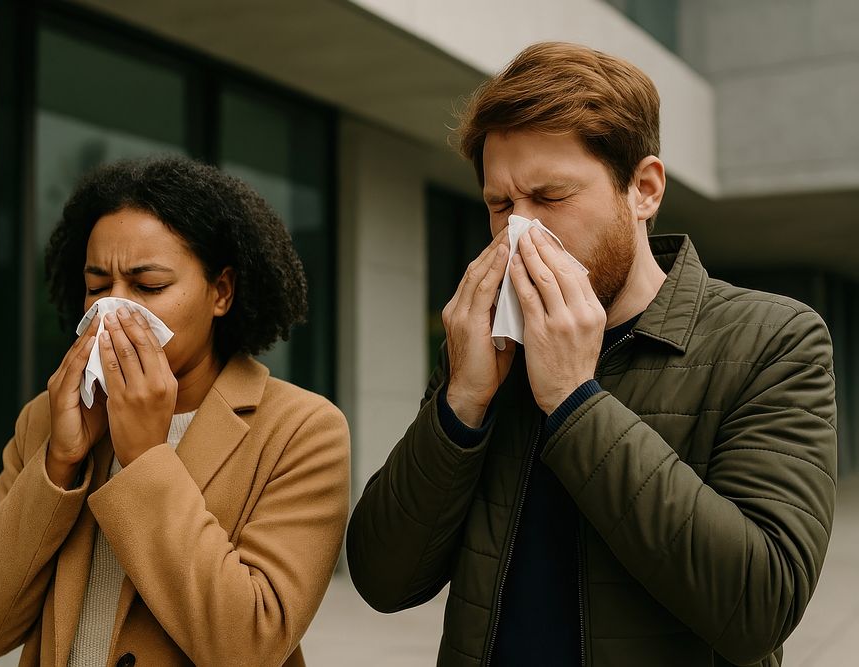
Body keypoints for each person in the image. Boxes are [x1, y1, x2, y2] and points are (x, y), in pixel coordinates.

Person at [346, 42, 837, 667]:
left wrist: (575, 400)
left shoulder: (772, 339)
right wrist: (461, 402)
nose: (519, 232)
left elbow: (757, 609)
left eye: (551, 198)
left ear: (644, 189)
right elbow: (383, 580)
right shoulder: (492, 351)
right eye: (501, 204)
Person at [0, 156, 350, 667]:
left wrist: (145, 456)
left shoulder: (300, 431)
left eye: (148, 286)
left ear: (220, 292)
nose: (114, 308)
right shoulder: (46, 418)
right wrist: (59, 463)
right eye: (96, 285)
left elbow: (250, 644)